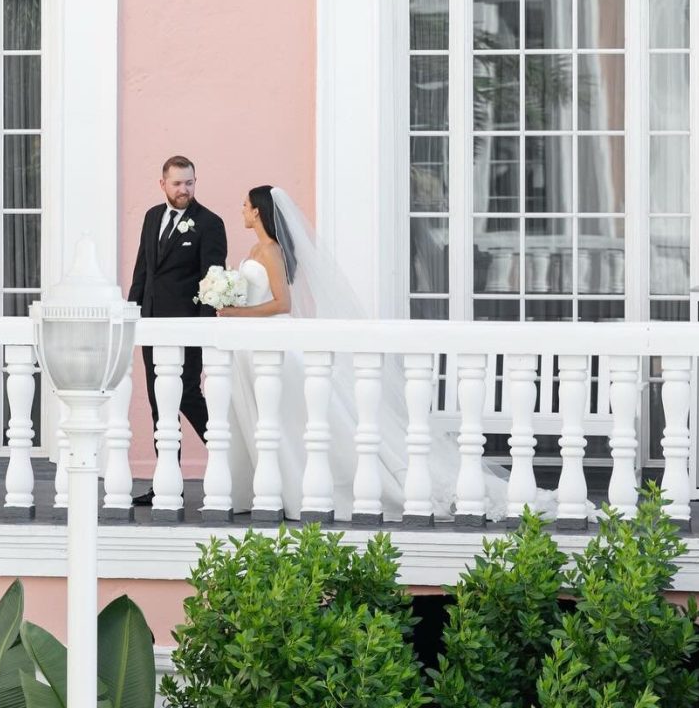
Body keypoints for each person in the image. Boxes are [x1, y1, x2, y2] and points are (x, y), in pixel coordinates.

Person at [217, 184, 538, 522]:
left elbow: (282, 304)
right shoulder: (255, 249)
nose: (241, 210)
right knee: (272, 420)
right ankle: (274, 487)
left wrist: (237, 314)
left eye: (245, 205)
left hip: (274, 342)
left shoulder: (270, 251)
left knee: (298, 421)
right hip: (252, 343)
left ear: (258, 212)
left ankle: (318, 485)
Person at [126, 154, 228, 507]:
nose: (184, 190)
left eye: (189, 183)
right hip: (152, 325)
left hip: (187, 328)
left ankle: (227, 459)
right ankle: (166, 481)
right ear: (163, 184)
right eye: (177, 184)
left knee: (187, 395)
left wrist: (199, 330)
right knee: (159, 403)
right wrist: (132, 314)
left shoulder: (210, 223)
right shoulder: (152, 217)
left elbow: (212, 282)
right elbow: (143, 270)